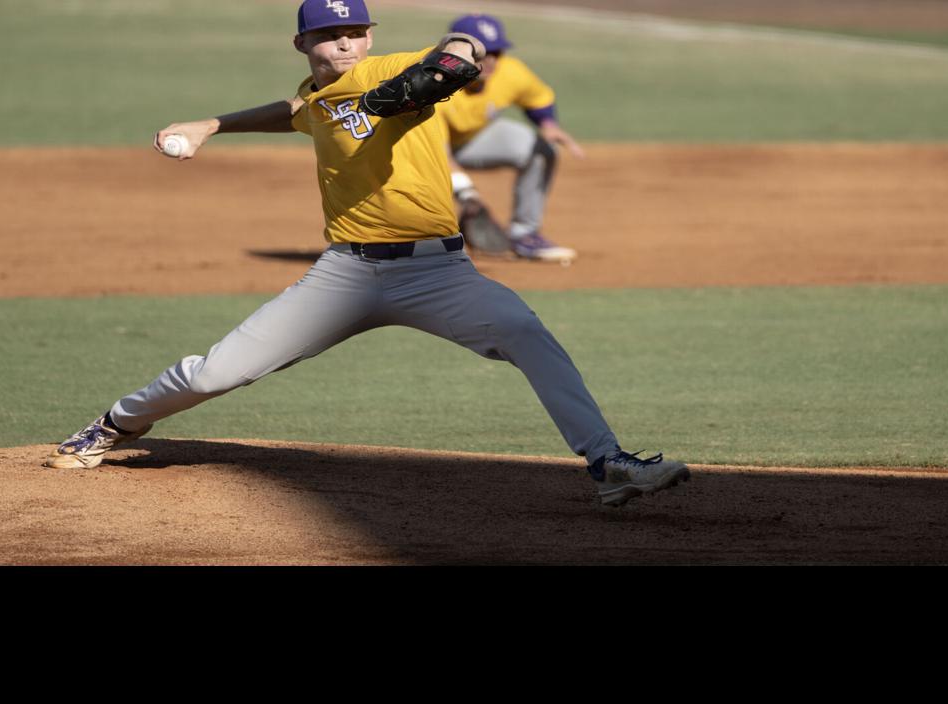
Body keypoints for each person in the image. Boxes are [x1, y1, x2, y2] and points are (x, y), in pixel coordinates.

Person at [43, 0, 690, 509]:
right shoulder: (320, 96)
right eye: (330, 34)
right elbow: (298, 110)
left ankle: (608, 464)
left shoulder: (386, 71)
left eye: (356, 29)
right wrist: (211, 124)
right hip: (345, 275)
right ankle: (113, 424)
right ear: (303, 44)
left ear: (371, 37)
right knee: (216, 372)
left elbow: (459, 49)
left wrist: (441, 66)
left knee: (526, 331)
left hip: (438, 272)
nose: (346, 42)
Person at [439, 13, 581, 263]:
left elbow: (538, 98)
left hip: (473, 139)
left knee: (541, 149)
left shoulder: (510, 72)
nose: (492, 60)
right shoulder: (434, 84)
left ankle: (524, 235)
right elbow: (438, 152)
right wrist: (467, 193)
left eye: (497, 52)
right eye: (483, 53)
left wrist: (548, 124)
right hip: (420, 150)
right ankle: (434, 243)